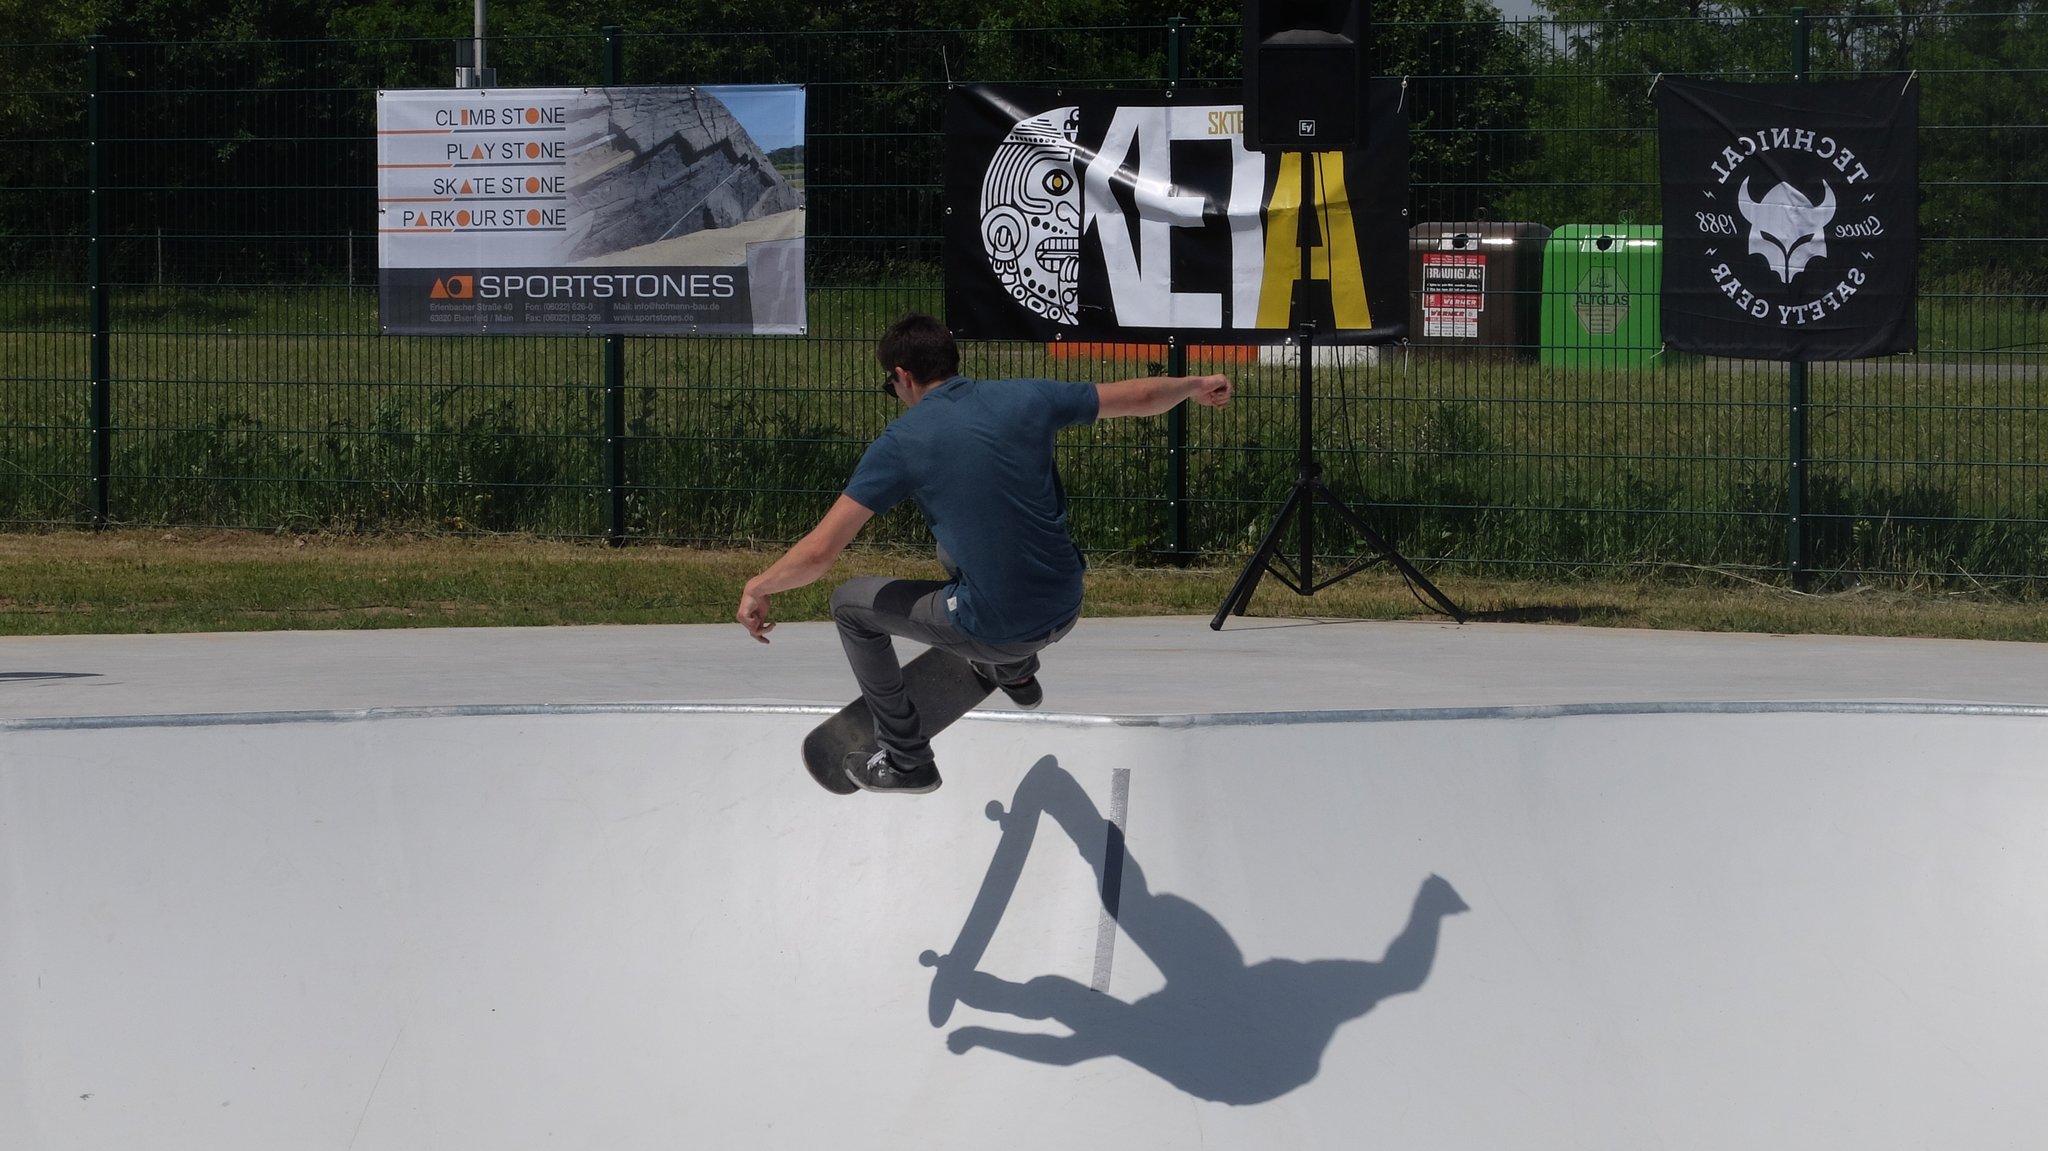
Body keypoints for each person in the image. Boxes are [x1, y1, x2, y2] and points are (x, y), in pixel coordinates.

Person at [736, 312, 1233, 795]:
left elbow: (820, 552)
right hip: (1067, 603)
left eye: (892, 388)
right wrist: (1195, 384)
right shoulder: (1025, 396)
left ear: (902, 376)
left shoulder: (902, 442)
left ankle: (907, 760)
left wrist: (759, 585)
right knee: (954, 544)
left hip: (1000, 628)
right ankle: (1016, 673)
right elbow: (1140, 395)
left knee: (849, 604)